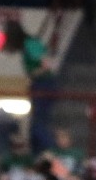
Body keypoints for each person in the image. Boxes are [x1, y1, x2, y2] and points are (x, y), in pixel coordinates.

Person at [3, 20, 56, 151]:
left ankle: (52, 152)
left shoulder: (30, 44)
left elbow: (46, 63)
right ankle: (38, 154)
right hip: (39, 84)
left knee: (38, 124)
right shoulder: (27, 46)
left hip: (44, 84)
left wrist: (32, 75)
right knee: (34, 126)